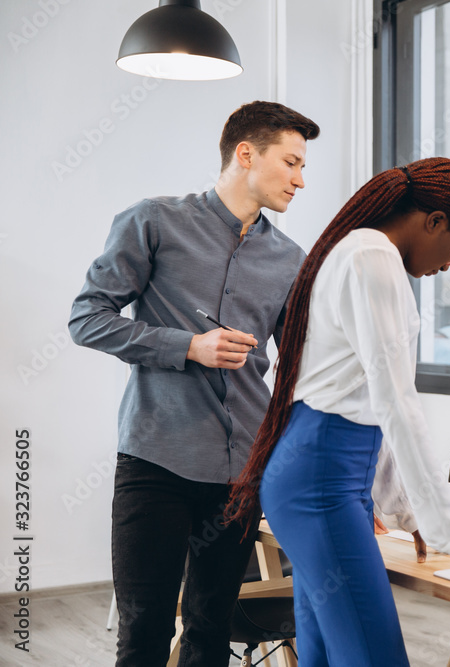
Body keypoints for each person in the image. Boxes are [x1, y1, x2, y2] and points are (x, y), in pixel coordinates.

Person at [226, 157, 450, 667]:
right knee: (373, 656)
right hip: (320, 484)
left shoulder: (360, 251)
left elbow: (368, 406)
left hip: (317, 478)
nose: (449, 264)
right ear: (434, 220)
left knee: (325, 655)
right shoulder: (372, 256)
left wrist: (409, 507)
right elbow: (396, 404)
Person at [68, 101, 320, 666]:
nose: (301, 180)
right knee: (145, 633)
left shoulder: (290, 258)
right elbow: (86, 318)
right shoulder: (153, 220)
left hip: (241, 474)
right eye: (292, 162)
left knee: (211, 635)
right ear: (246, 154)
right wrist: (188, 346)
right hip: (156, 462)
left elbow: (299, 364)